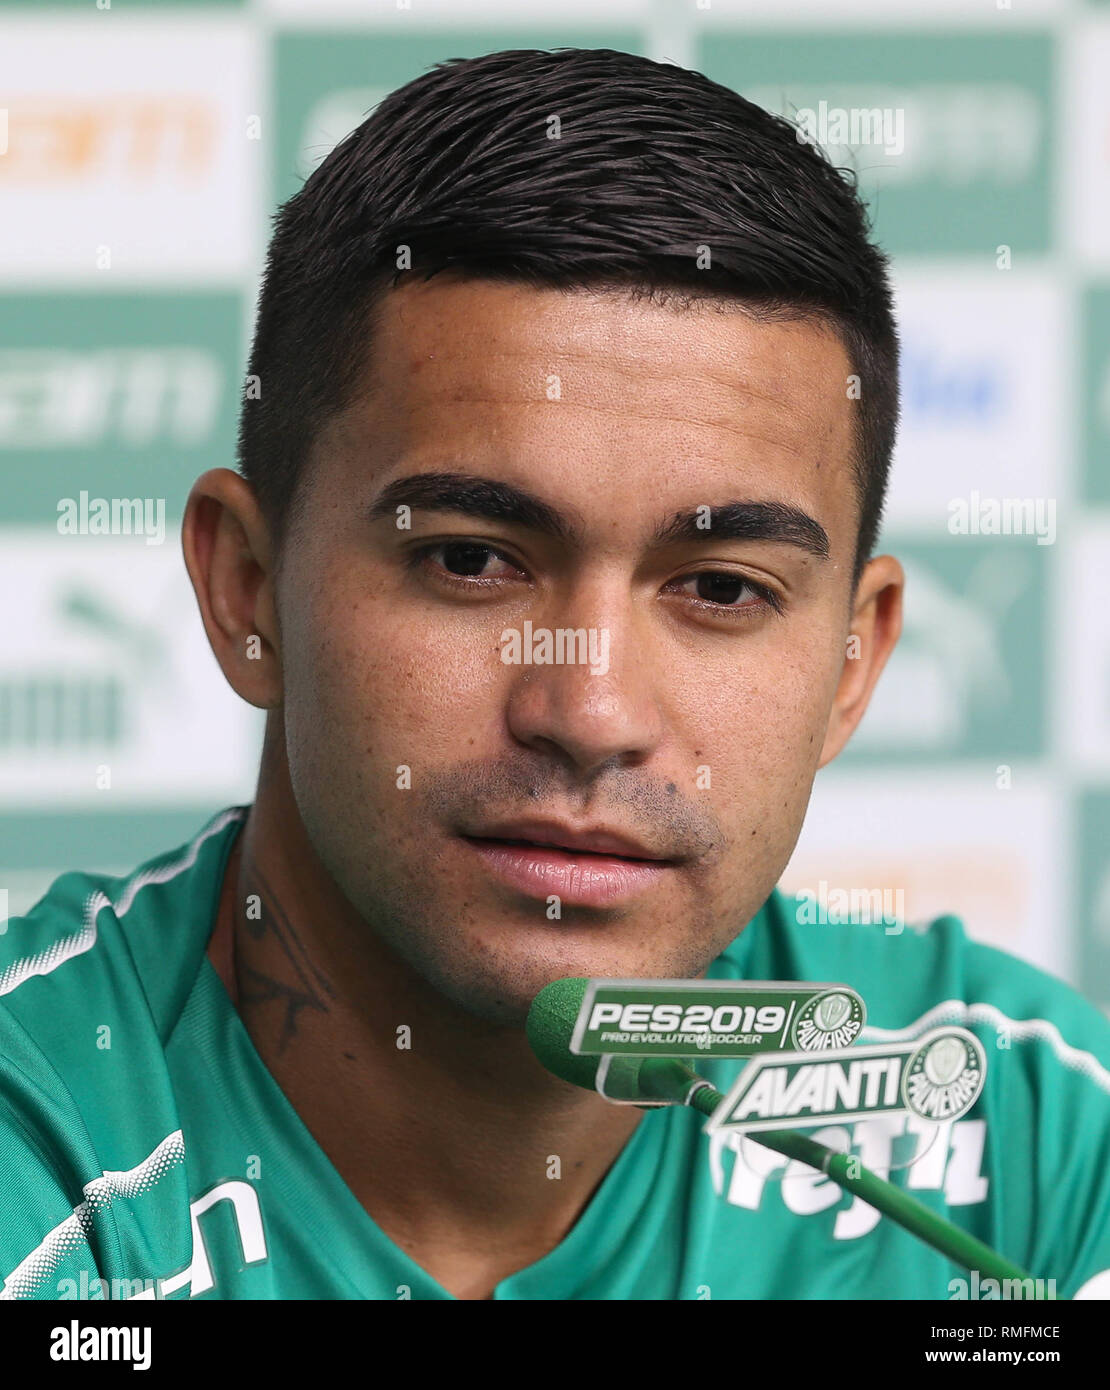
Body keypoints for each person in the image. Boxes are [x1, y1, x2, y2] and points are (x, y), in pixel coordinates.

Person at [3, 47, 1108, 1302]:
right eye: (474, 561)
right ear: (248, 589)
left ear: (854, 664)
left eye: (722, 588)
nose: (590, 713)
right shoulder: (37, 1142)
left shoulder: (1029, 1139)